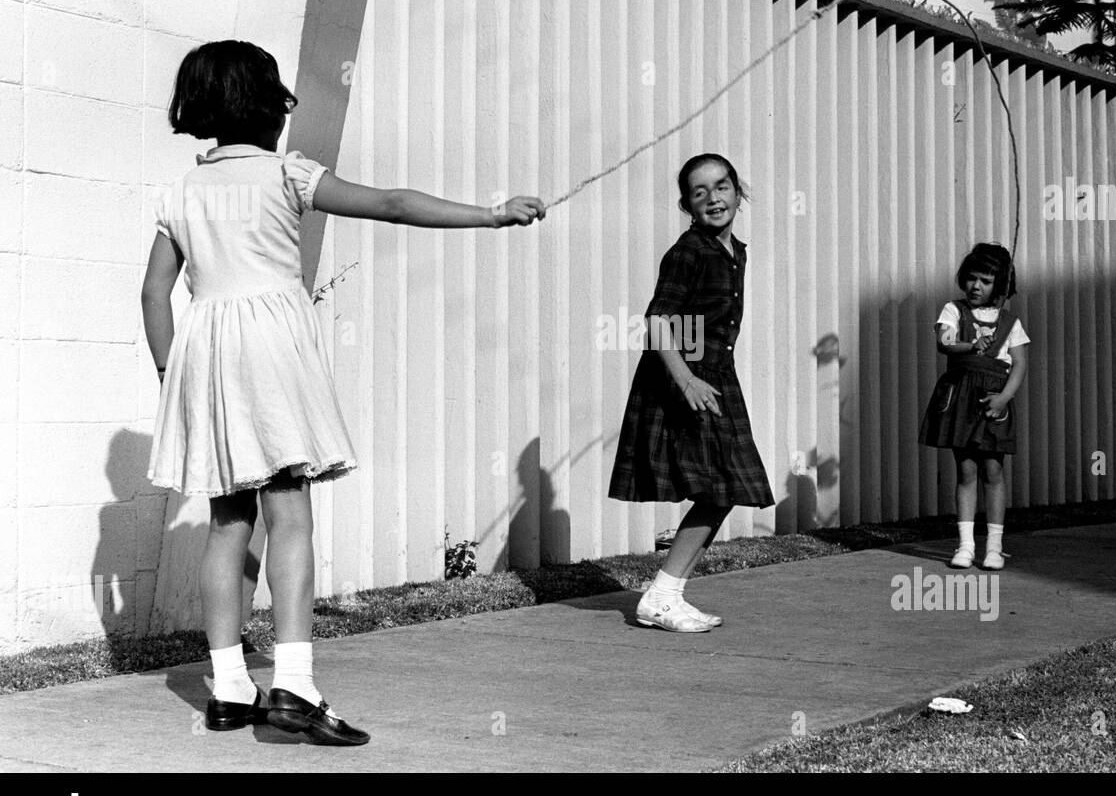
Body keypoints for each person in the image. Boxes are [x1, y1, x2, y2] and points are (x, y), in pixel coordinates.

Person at [141, 40, 545, 744]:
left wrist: (169, 372)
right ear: (270, 107)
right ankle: (294, 683)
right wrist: (491, 212)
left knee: (229, 521)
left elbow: (154, 292)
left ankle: (230, 687)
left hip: (204, 350)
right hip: (271, 347)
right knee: (290, 511)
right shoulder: (288, 174)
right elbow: (389, 203)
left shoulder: (179, 190)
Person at [609, 153, 774, 632]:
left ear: (738, 192)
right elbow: (658, 321)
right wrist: (686, 381)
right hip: (685, 378)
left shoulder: (734, 250)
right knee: (721, 485)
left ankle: (666, 594)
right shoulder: (689, 251)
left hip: (717, 376)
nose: (713, 198)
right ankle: (662, 596)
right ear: (687, 204)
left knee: (724, 486)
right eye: (699, 193)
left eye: (721, 187)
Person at [919, 243, 1029, 571]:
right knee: (966, 470)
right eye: (971, 278)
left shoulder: (1011, 322)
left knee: (993, 471)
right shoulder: (954, 310)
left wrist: (1004, 398)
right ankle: (965, 546)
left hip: (993, 401)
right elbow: (944, 342)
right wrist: (970, 345)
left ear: (1000, 287)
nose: (976, 286)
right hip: (960, 400)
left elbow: (1020, 364)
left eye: (985, 280)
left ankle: (993, 547)